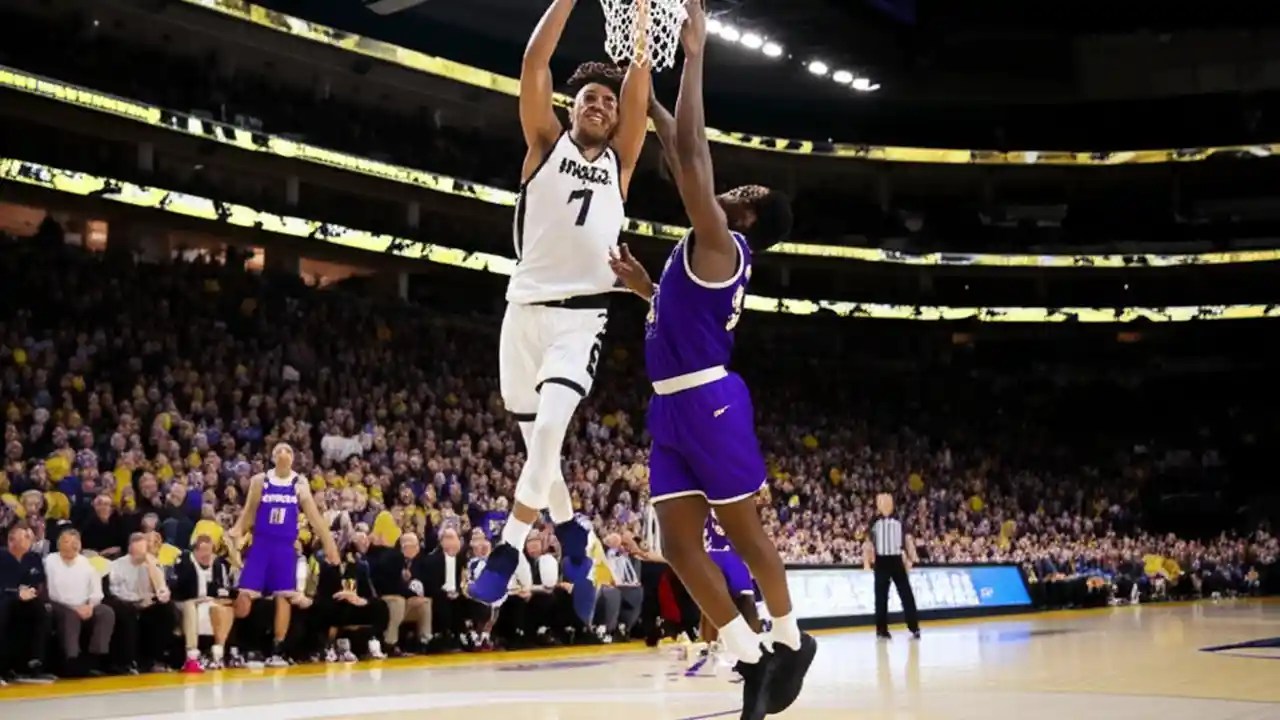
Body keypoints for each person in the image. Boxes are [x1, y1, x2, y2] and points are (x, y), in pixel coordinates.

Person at [607, 2, 813, 717]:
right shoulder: (701, 252)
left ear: (749, 216)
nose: (734, 186)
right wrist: (643, 85)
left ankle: (792, 639)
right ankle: (749, 652)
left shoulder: (723, 242)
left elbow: (691, 157)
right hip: (672, 399)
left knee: (747, 533)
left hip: (711, 400)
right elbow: (676, 145)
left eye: (746, 192)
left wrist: (695, 58)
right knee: (676, 542)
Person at [468, 0, 652, 623]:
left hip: (582, 319)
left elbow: (640, 80)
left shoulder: (621, 164)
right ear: (571, 109)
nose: (599, 105)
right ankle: (573, 531)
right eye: (589, 99)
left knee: (549, 433)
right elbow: (534, 60)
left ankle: (507, 549)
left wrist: (644, 20)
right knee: (535, 448)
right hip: (521, 313)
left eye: (608, 101)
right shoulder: (544, 143)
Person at [226, 443, 340, 667]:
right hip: (261, 544)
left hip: (285, 547)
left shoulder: (300, 483)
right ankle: (236, 647)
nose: (283, 453)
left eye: (288, 450)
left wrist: (329, 544)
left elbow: (315, 518)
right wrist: (235, 533)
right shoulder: (260, 481)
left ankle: (278, 649)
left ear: (293, 457)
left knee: (284, 597)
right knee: (244, 597)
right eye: (279, 450)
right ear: (273, 456)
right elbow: (248, 513)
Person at [0, 523, 56, 683]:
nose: (30, 540)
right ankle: (3, 668)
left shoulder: (33, 558)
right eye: (26, 537)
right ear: (11, 540)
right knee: (4, 610)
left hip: (25, 602)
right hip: (4, 600)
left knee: (41, 610)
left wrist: (33, 592)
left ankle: (33, 664)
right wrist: (15, 593)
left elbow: (38, 584)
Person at [172, 534, 236, 672]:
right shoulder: (183, 562)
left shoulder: (218, 565)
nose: (207, 555)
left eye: (210, 551)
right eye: (203, 551)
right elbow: (177, 589)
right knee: (190, 606)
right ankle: (192, 655)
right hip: (186, 601)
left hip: (210, 601)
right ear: (195, 551)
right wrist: (197, 599)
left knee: (225, 609)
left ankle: (218, 653)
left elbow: (223, 590)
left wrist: (218, 598)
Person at [863, 493, 921, 640]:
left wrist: (912, 557)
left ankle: (914, 627)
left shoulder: (900, 519)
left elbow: (907, 538)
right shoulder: (873, 521)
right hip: (881, 561)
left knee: (906, 594)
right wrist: (867, 562)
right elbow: (868, 542)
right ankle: (881, 630)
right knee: (881, 597)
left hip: (896, 559)